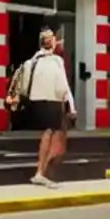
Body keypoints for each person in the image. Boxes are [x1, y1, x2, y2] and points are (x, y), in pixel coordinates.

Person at [11, 29, 73, 187]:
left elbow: (25, 86)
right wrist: (70, 106)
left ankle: (43, 170)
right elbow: (63, 86)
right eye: (53, 39)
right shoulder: (56, 61)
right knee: (52, 136)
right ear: (50, 42)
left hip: (37, 101)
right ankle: (41, 172)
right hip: (52, 101)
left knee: (52, 136)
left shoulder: (33, 61)